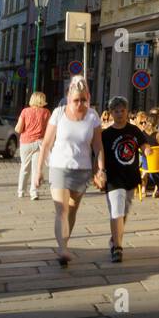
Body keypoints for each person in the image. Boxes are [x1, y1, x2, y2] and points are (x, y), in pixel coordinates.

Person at [33, 77, 106, 267]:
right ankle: (63, 247)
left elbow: (98, 147)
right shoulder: (58, 114)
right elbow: (46, 144)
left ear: (88, 97)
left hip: (82, 170)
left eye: (83, 99)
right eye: (76, 100)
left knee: (72, 209)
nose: (80, 103)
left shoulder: (93, 116)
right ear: (68, 98)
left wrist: (101, 170)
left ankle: (65, 242)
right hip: (59, 167)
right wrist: (38, 170)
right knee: (62, 210)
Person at [102, 96, 149, 262]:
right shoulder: (106, 134)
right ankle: (117, 247)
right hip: (113, 177)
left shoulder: (134, 130)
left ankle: (115, 238)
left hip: (130, 176)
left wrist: (147, 150)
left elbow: (144, 145)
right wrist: (98, 172)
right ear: (111, 113)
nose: (120, 114)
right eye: (116, 111)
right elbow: (99, 155)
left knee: (123, 211)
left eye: (122, 110)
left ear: (127, 112)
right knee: (117, 209)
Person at [14, 92, 50, 201]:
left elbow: (18, 129)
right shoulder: (46, 112)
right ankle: (33, 192)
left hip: (26, 143)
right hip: (40, 143)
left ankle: (21, 191)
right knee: (36, 169)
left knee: (24, 167)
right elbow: (50, 129)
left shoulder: (25, 111)